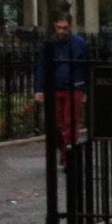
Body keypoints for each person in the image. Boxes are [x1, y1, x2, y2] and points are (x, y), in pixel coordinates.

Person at [34, 13, 88, 162]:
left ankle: (68, 156)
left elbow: (86, 66)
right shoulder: (48, 44)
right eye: (59, 27)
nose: (61, 31)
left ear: (70, 26)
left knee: (70, 122)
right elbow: (41, 66)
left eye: (65, 28)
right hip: (55, 87)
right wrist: (39, 89)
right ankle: (65, 149)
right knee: (56, 123)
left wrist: (85, 89)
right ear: (54, 25)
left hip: (74, 86)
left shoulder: (80, 43)